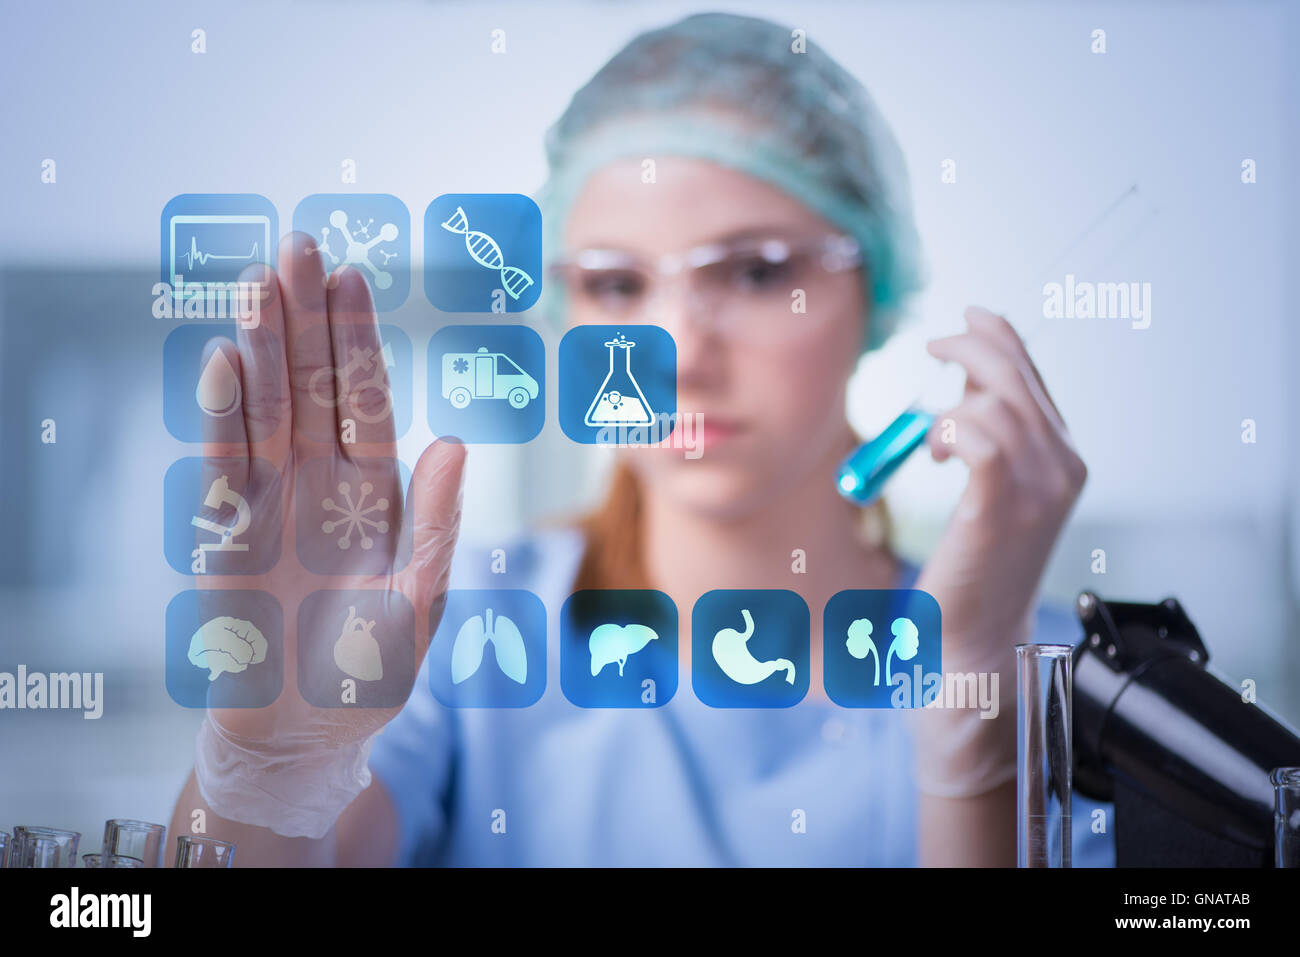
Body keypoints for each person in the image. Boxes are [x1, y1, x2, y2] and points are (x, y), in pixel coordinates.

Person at [169, 12, 1109, 866]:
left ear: (876, 289)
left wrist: (979, 719)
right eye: (618, 286)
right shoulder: (460, 632)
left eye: (755, 271)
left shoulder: (1065, 676)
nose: (677, 355)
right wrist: (269, 771)